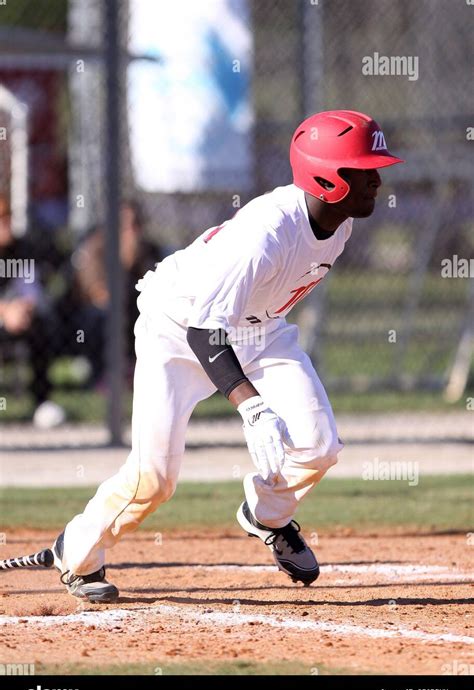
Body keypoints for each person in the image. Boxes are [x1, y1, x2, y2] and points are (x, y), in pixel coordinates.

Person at [51, 110, 403, 601]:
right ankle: (79, 551)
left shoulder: (339, 224)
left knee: (319, 445)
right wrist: (252, 405)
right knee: (155, 479)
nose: (378, 179)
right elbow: (203, 330)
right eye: (365, 170)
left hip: (258, 331)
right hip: (177, 330)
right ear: (327, 178)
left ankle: (266, 515)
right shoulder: (264, 235)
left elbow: (255, 312)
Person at [58, 200, 161, 387]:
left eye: (135, 224)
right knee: (111, 313)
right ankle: (104, 375)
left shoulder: (148, 249)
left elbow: (159, 289)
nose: (132, 231)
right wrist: (126, 259)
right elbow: (100, 294)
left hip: (133, 310)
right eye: (125, 225)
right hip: (91, 314)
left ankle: (142, 370)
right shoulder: (95, 247)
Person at [0, 193, 65, 428]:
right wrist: (4, 310)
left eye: (6, 218)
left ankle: (41, 403)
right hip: (3, 315)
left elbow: (31, 290)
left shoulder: (21, 249)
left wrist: (22, 309)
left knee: (41, 324)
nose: (5, 225)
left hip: (17, 319)